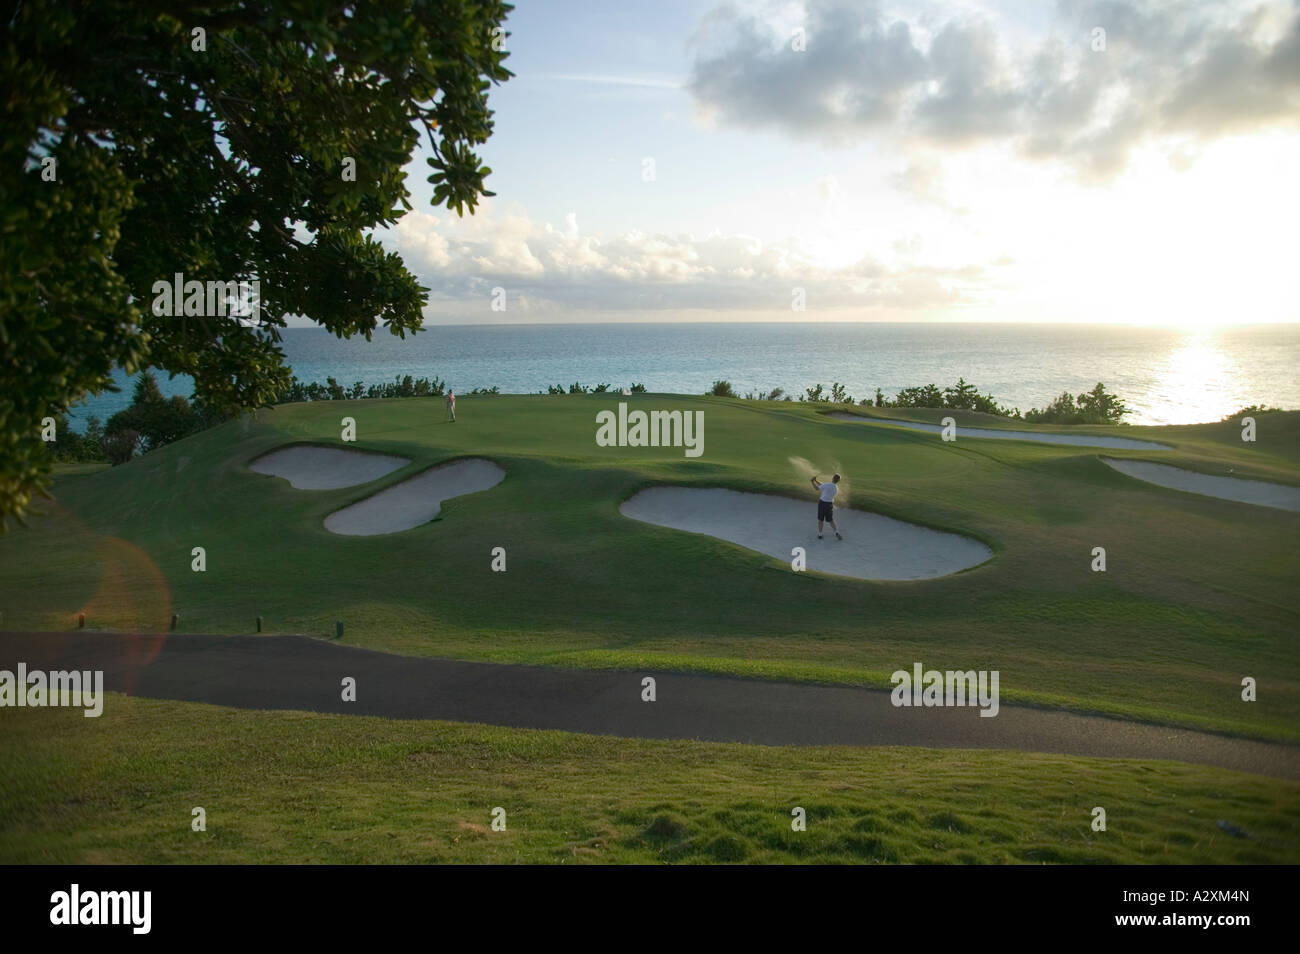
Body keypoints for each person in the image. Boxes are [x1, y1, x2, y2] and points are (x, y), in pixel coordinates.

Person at [810, 473, 842, 540]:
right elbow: (823, 486)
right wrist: (816, 481)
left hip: (822, 504)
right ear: (838, 481)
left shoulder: (827, 485)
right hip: (830, 504)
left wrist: (812, 482)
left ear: (833, 478)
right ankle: (836, 532)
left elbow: (816, 488)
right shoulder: (836, 488)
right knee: (831, 520)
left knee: (820, 520)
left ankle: (820, 534)